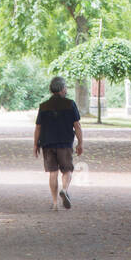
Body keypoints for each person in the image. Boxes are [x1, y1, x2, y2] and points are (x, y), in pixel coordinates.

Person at [34, 76, 83, 211]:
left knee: (53, 172)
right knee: (67, 170)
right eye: (65, 87)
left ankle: (55, 203)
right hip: (64, 143)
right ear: (62, 89)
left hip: (47, 143)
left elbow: (38, 127)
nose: (66, 90)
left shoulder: (43, 106)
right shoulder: (70, 104)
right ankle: (65, 190)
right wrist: (80, 143)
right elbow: (77, 125)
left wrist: (35, 144)